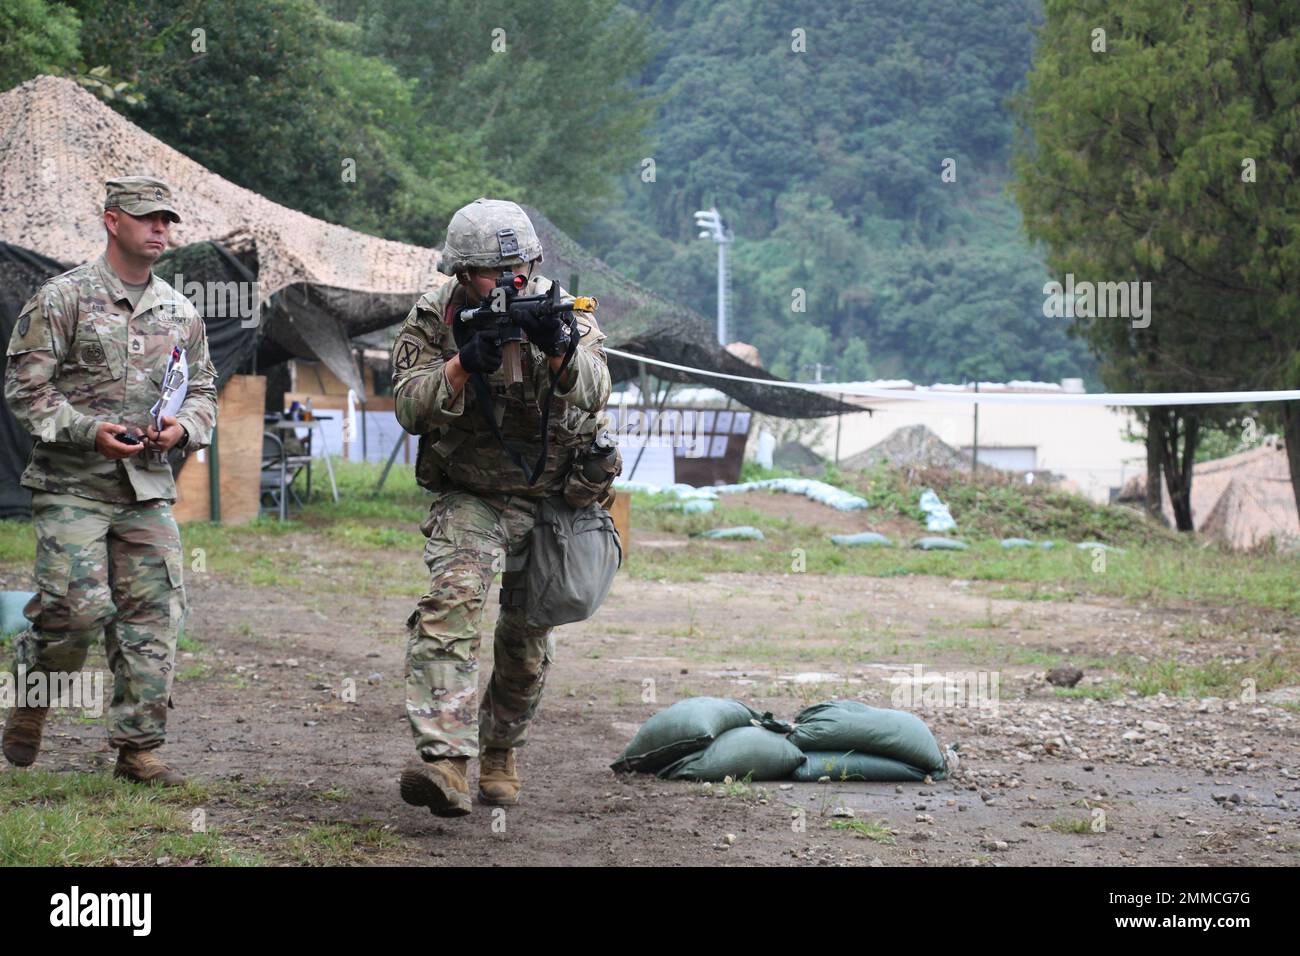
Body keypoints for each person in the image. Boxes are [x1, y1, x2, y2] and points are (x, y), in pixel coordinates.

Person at [392, 198, 611, 816]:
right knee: (451, 605)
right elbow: (409, 408)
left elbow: (598, 393)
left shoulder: (564, 312)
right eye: (494, 273)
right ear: (462, 274)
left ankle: (499, 752)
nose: (510, 283)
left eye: (520, 269)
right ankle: (448, 762)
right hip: (474, 493)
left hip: (552, 497)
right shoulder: (435, 318)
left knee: (525, 639)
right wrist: (463, 363)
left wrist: (561, 349)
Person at [2, 176, 218, 786]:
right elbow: (25, 391)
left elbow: (203, 390)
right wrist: (86, 430)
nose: (160, 229)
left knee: (154, 614)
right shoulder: (62, 298)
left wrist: (184, 430)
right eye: (148, 218)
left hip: (145, 488)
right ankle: (34, 696)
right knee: (75, 611)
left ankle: (138, 749)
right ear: (112, 220)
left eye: (167, 220)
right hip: (72, 483)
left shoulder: (180, 311)